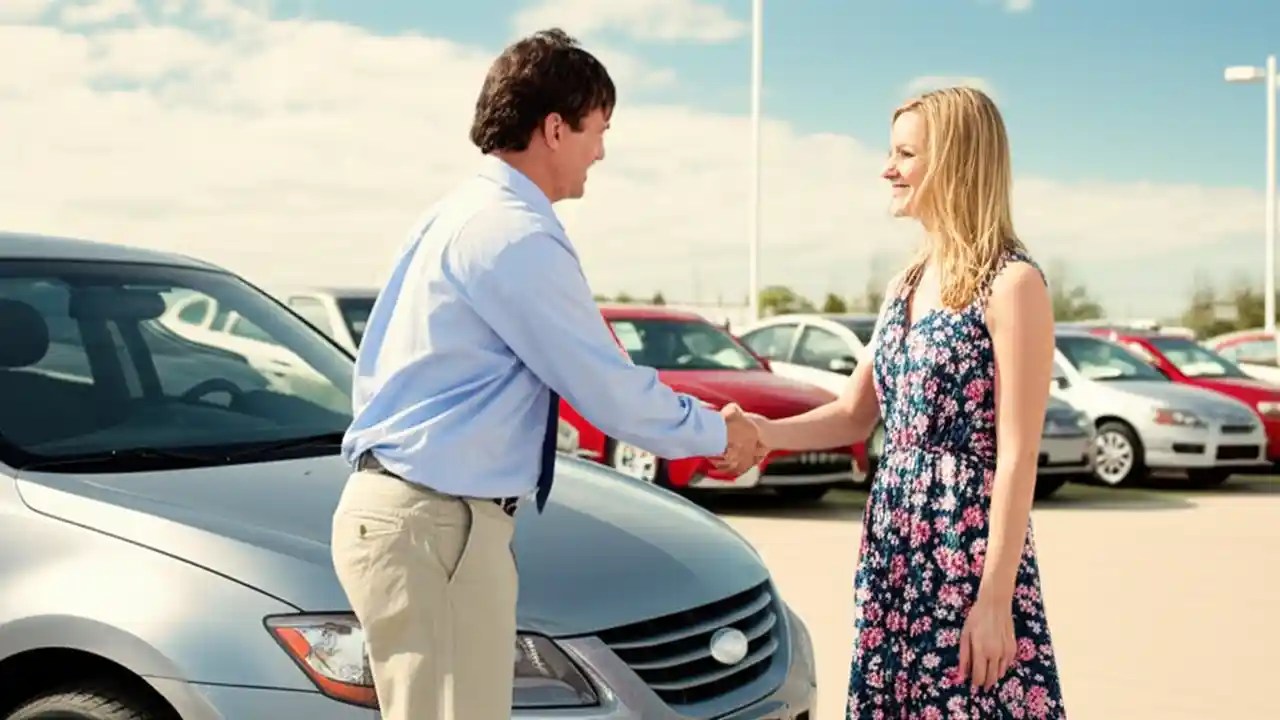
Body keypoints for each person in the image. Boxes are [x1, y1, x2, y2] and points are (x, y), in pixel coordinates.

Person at [329, 28, 761, 720]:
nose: (602, 151)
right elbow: (608, 391)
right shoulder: (512, 232)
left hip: (435, 521)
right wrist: (719, 434)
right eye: (599, 129)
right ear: (555, 128)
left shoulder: (464, 214)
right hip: (435, 525)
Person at [748, 87, 1068, 718]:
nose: (887, 169)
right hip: (895, 542)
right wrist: (760, 432)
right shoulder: (905, 284)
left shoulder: (1012, 284)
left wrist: (995, 598)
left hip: (965, 549)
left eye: (905, 154)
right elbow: (852, 414)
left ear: (954, 162)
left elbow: (1017, 455)